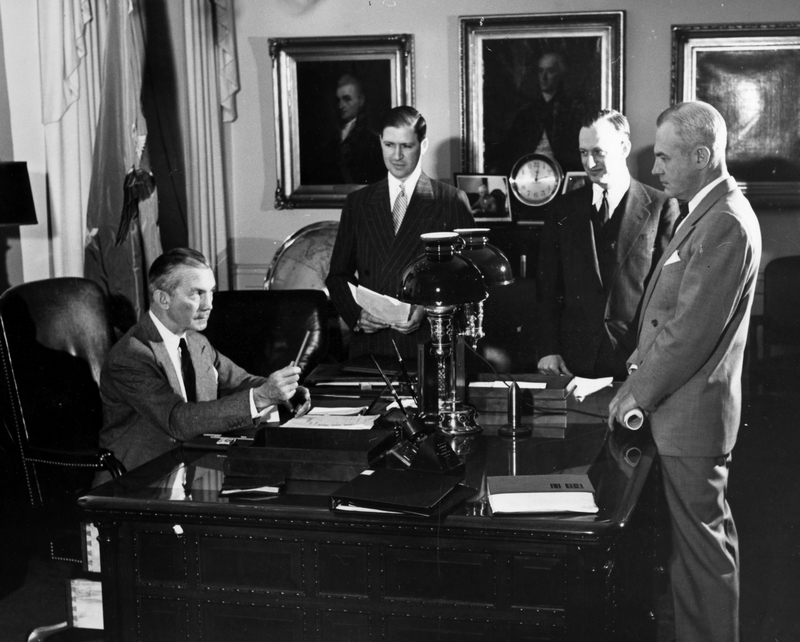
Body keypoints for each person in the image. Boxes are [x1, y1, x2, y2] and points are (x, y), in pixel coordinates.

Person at [608, 101, 761, 642]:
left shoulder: (724, 221)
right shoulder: (705, 211)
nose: (656, 169)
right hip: (680, 413)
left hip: (690, 418)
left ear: (703, 155)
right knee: (694, 556)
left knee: (703, 560)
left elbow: (687, 333)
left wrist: (633, 394)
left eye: (667, 158)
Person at [97, 248, 311, 478]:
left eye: (211, 292)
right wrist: (262, 396)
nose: (209, 305)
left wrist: (285, 389)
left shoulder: (196, 340)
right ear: (163, 299)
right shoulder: (132, 355)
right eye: (197, 293)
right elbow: (177, 420)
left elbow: (240, 381)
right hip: (140, 481)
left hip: (195, 468)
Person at [537, 109, 678, 380]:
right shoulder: (562, 209)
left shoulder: (662, 206)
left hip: (636, 358)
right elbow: (548, 287)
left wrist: (650, 354)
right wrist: (548, 349)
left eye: (598, 152)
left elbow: (667, 293)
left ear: (624, 147)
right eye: (583, 152)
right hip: (573, 361)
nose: (590, 163)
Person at [326, 105, 475, 361]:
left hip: (430, 344)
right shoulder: (358, 203)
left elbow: (471, 280)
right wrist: (356, 315)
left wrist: (429, 309)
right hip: (371, 346)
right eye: (389, 145)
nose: (396, 155)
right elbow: (338, 275)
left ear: (423, 144)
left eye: (406, 146)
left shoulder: (451, 201)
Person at [487, 51, 587, 176]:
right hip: (527, 176)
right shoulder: (526, 112)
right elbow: (511, 150)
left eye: (550, 71)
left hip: (561, 173)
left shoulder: (573, 110)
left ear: (560, 75)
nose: (544, 77)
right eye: (540, 71)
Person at [312, 74, 384, 185]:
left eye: (347, 99)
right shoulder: (330, 140)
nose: (341, 106)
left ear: (361, 101)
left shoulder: (372, 142)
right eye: (338, 100)